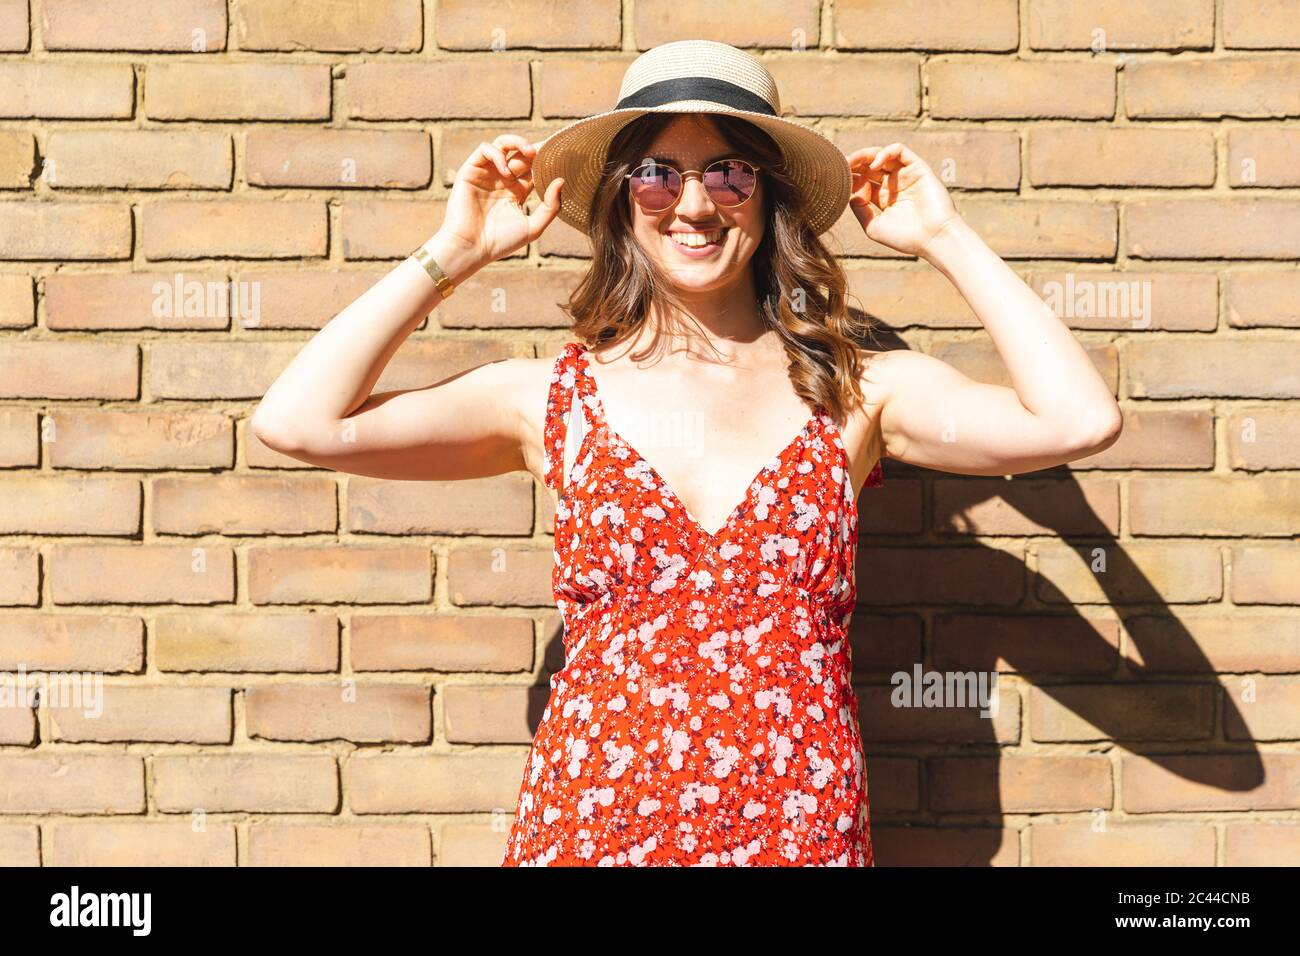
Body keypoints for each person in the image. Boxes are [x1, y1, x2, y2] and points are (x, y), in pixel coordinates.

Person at [251, 40, 1123, 866]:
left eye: (729, 172)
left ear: (771, 197)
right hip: (593, 829)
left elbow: (1078, 421)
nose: (696, 204)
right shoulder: (550, 396)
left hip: (797, 832)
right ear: (623, 198)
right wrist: (456, 253)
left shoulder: (858, 389)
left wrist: (945, 238)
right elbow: (299, 422)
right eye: (657, 174)